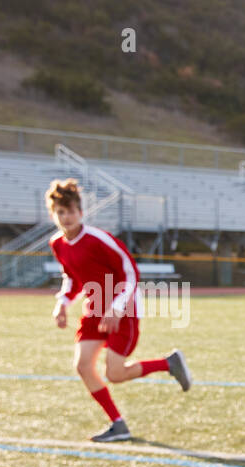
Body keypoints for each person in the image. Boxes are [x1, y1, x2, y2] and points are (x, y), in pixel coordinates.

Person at [46, 178, 191, 442]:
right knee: (83, 366)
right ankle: (118, 424)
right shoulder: (57, 244)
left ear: (81, 212)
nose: (66, 217)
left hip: (123, 309)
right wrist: (62, 304)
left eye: (71, 211)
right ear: (53, 214)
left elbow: (130, 273)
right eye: (60, 212)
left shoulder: (99, 239)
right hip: (94, 310)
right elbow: (72, 278)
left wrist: (116, 307)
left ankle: (169, 363)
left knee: (115, 373)